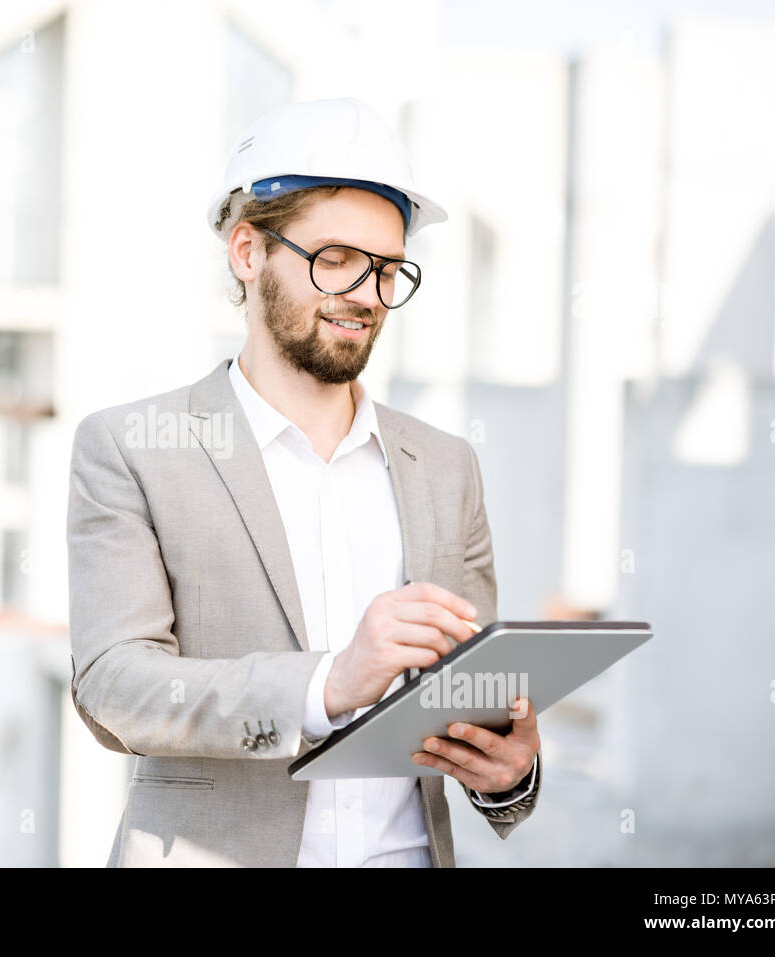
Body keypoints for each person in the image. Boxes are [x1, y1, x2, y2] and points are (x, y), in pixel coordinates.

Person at [66, 97, 541, 867]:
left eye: (387, 269)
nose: (365, 293)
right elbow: (115, 687)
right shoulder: (131, 448)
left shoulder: (447, 467)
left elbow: (468, 706)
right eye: (337, 258)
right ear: (247, 252)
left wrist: (506, 773)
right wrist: (329, 682)